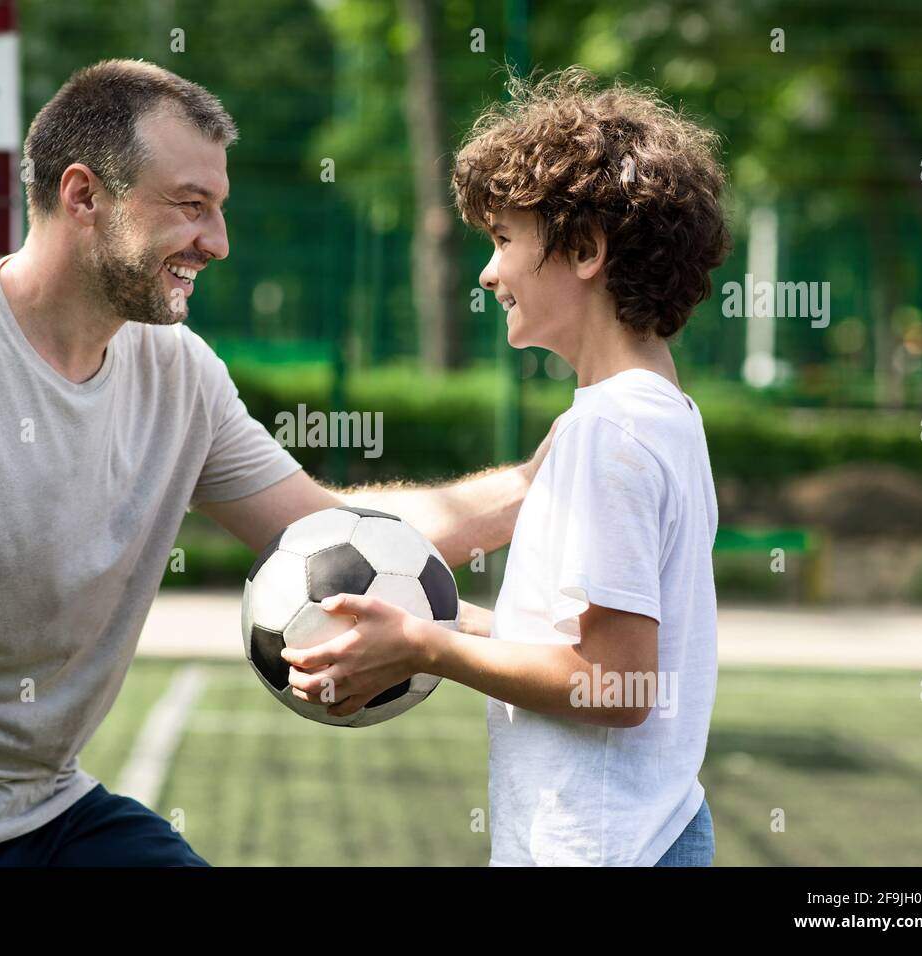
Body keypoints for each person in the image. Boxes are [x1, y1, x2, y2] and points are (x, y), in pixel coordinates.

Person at [0, 58, 552, 867]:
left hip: (46, 812)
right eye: (190, 206)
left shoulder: (178, 370)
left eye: (219, 209)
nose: (217, 241)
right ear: (83, 196)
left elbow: (333, 533)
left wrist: (542, 485)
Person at [283, 67, 730, 866]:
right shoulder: (657, 414)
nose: (488, 274)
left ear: (586, 248)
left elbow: (617, 686)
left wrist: (429, 652)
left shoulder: (612, 431)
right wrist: (419, 621)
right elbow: (567, 645)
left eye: (503, 240)